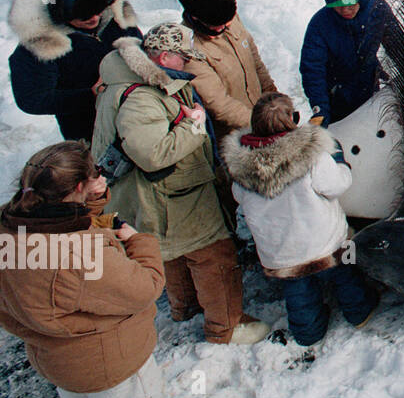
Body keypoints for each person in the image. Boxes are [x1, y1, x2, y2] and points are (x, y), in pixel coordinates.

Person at [91, 24, 270, 345]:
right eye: (183, 58)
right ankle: (226, 327)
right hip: (172, 194)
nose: (187, 63)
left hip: (152, 197)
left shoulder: (124, 83)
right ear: (162, 56)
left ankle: (185, 307)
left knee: (172, 252)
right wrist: (194, 126)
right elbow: (152, 153)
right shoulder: (142, 97)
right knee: (214, 256)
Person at [0, 141, 166, 398]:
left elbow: (58, 228)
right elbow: (146, 287)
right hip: (109, 364)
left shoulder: (11, 224)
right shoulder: (79, 255)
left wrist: (90, 201)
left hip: (59, 360)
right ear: (78, 187)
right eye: (94, 174)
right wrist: (139, 241)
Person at [222, 93, 380, 345]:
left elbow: (238, 196)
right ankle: (359, 311)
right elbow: (336, 185)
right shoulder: (311, 155)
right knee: (345, 273)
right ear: (293, 120)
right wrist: (339, 161)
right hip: (325, 243)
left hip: (280, 252)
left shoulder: (242, 164)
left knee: (298, 294)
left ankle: (308, 333)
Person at [8, 0, 142, 142]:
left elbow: (141, 47)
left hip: (137, 115)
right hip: (89, 130)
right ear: (63, 16)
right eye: (84, 17)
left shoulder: (117, 18)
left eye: (97, 11)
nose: (94, 18)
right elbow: (31, 99)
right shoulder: (40, 45)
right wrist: (90, 96)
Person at [178, 0, 278, 142]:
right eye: (216, 27)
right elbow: (218, 104)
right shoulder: (190, 50)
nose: (224, 28)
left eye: (227, 23)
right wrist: (261, 124)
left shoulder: (227, 15)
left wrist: (272, 95)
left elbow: (254, 59)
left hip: (259, 114)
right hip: (233, 134)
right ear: (196, 19)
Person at [300, 0, 394, 128]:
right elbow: (313, 70)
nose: (345, 11)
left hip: (370, 87)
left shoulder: (378, 10)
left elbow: (396, 43)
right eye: (338, 6)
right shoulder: (320, 24)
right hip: (337, 96)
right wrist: (319, 108)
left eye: (350, 5)